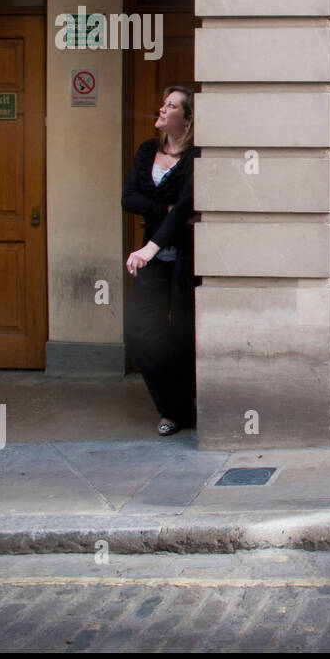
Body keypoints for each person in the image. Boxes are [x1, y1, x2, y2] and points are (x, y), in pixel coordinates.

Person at [122, 86, 197, 437]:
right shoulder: (146, 150)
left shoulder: (195, 157)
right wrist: (164, 211)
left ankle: (180, 410)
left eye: (171, 105)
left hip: (184, 260)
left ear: (187, 117)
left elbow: (187, 206)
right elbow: (129, 198)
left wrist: (154, 242)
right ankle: (176, 405)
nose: (162, 109)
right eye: (163, 103)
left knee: (183, 334)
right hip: (152, 258)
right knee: (141, 331)